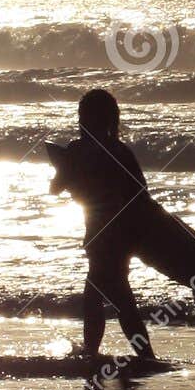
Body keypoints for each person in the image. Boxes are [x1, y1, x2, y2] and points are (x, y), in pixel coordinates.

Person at [49, 89, 157, 361]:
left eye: (83, 116)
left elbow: (56, 187)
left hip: (100, 236)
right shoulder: (121, 151)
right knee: (116, 297)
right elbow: (142, 194)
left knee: (101, 297)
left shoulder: (76, 151)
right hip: (123, 236)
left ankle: (97, 358)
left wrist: (63, 171)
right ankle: (140, 357)